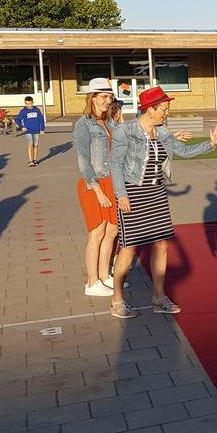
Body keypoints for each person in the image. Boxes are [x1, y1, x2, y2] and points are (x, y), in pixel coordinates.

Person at [109, 87, 217, 319]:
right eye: (164, 109)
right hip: (132, 192)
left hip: (156, 192)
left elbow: (183, 151)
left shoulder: (162, 132)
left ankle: (159, 298)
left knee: (161, 244)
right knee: (129, 248)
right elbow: (116, 164)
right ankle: (117, 299)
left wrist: (210, 144)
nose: (167, 113)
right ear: (150, 109)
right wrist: (121, 194)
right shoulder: (125, 131)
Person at [74, 78, 121, 298]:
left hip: (112, 181)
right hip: (94, 183)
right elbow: (83, 160)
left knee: (112, 230)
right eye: (103, 97)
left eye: (109, 97)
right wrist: (97, 189)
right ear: (91, 98)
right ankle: (92, 282)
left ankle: (104, 276)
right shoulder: (83, 124)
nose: (107, 101)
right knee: (97, 232)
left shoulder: (109, 122)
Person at [15, 96, 46, 166]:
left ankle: (35, 160)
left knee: (36, 145)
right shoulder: (23, 111)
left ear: (32, 103)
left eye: (30, 103)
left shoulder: (37, 110)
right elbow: (17, 120)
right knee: (30, 144)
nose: (28, 105)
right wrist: (22, 127)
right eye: (26, 104)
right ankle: (30, 160)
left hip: (36, 130)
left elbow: (41, 120)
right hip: (28, 130)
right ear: (25, 103)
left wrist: (42, 129)